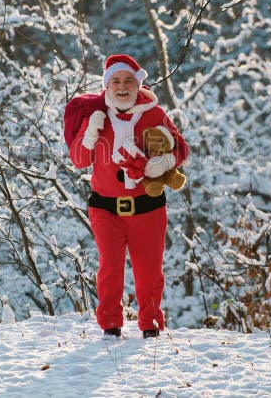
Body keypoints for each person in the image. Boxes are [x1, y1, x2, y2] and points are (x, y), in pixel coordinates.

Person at [64, 54, 189, 339]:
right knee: (109, 269)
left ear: (138, 84)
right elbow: (80, 160)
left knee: (149, 272)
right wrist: (89, 132)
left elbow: (181, 148)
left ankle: (151, 325)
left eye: (128, 81)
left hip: (148, 207)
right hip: (105, 209)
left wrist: (166, 162)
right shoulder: (95, 116)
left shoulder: (154, 114)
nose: (122, 87)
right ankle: (110, 325)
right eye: (116, 81)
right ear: (107, 87)